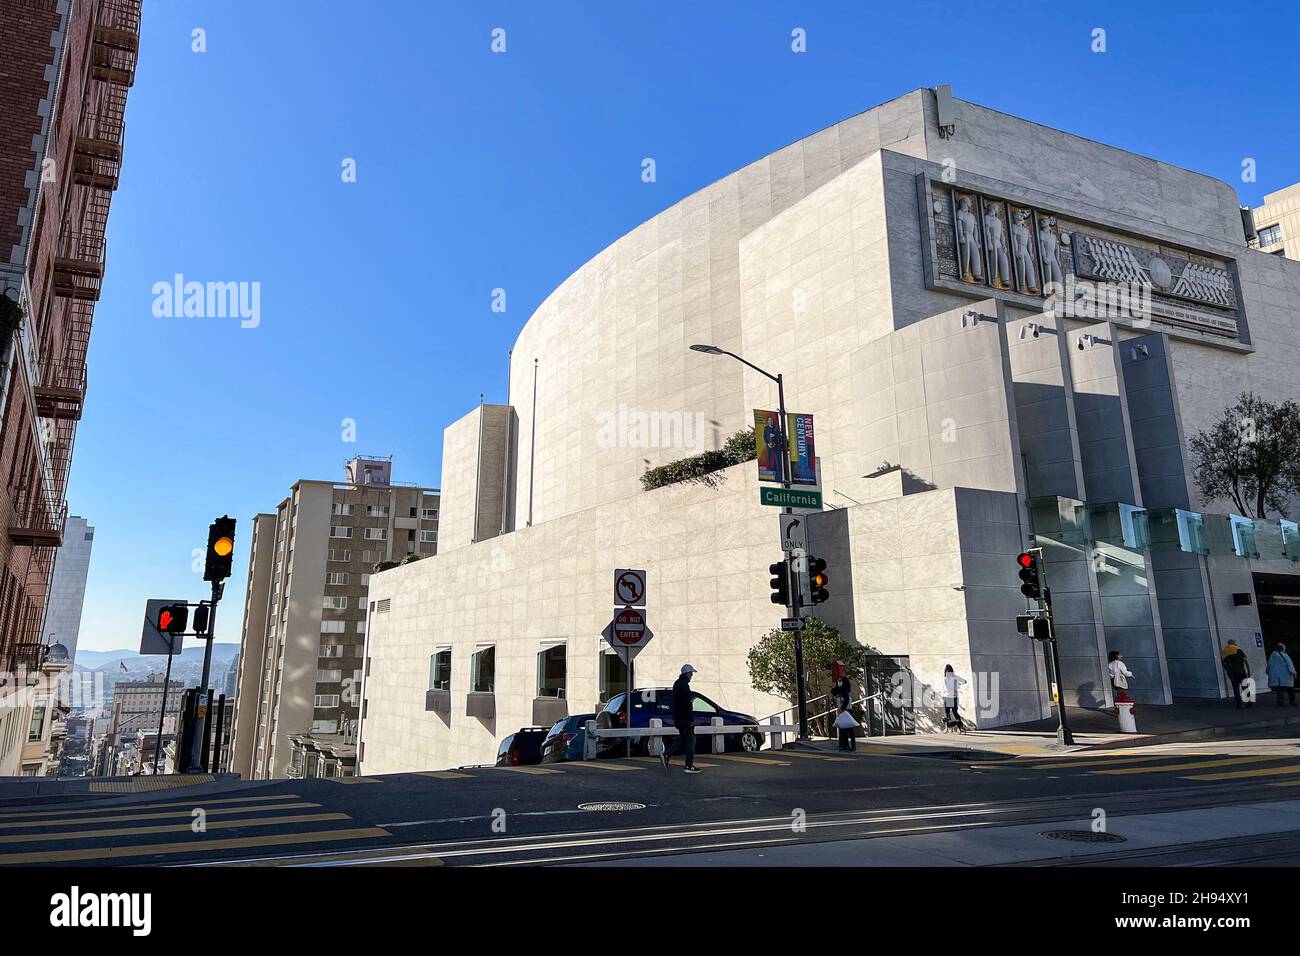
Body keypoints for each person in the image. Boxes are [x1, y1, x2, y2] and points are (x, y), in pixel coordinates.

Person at [661, 664, 701, 773]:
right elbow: (687, 703)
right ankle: (688, 766)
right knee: (691, 740)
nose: (692, 675)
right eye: (691, 673)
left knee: (684, 739)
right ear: (686, 673)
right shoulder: (684, 685)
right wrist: (691, 719)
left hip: (678, 717)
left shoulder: (677, 684)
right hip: (684, 719)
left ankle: (667, 755)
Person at [1221, 640, 1253, 709]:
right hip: (1241, 672)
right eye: (1235, 643)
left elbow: (1223, 664)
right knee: (1245, 688)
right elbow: (1246, 661)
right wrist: (1248, 671)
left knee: (1235, 688)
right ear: (1233, 644)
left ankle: (1239, 705)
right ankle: (1248, 704)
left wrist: (1228, 671)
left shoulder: (1224, 652)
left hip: (1232, 674)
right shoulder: (1238, 650)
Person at [1267, 643, 1297, 707]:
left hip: (1277, 677)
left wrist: (1267, 672)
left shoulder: (1272, 656)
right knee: (1290, 689)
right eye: (1284, 647)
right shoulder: (1285, 655)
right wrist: (1293, 672)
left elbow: (1269, 665)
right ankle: (1292, 701)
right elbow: (1290, 665)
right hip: (1286, 676)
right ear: (1282, 648)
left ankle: (1280, 702)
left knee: (1280, 690)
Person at [942, 664, 967, 733]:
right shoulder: (956, 677)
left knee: (947, 714)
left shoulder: (945, 679)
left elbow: (946, 689)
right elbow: (965, 681)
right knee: (955, 712)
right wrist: (958, 685)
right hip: (955, 697)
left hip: (948, 697)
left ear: (945, 672)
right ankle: (960, 728)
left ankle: (947, 728)